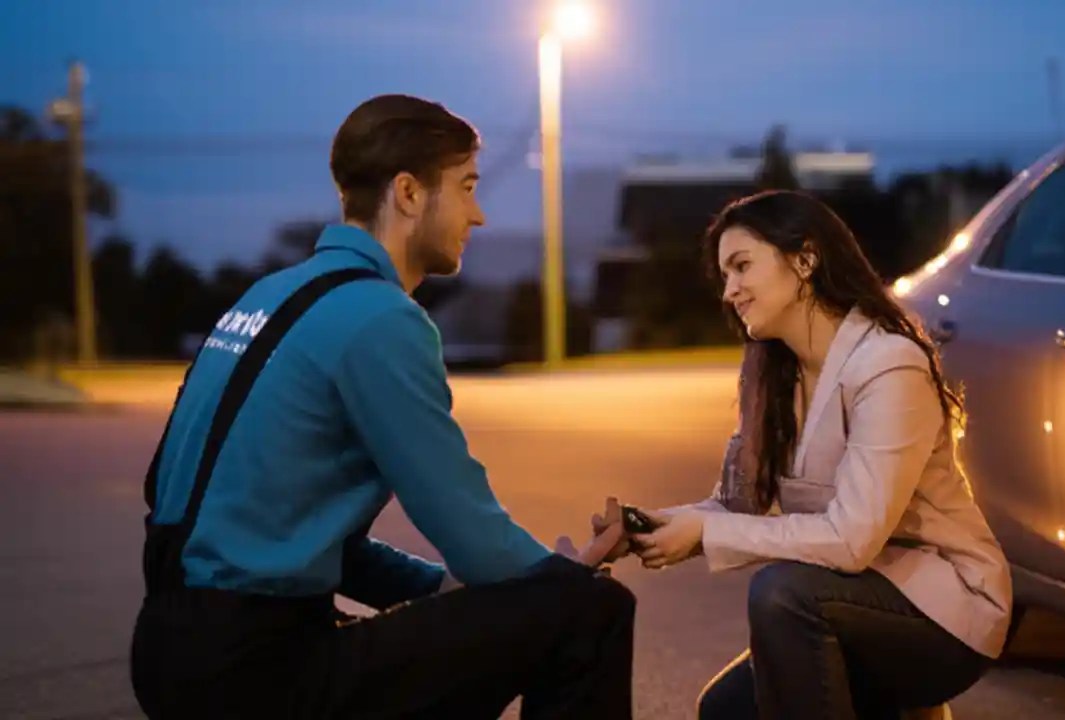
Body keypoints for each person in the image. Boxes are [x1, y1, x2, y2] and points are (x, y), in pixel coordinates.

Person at [129, 94, 635, 720]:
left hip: (170, 650)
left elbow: (306, 542)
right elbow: (475, 539)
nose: (477, 214)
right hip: (259, 671)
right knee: (591, 612)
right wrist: (558, 575)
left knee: (510, 609)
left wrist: (440, 589)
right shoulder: (382, 319)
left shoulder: (270, 297)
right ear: (409, 193)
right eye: (468, 186)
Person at [625, 190, 1014, 719]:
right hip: (855, 594)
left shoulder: (888, 364)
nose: (729, 291)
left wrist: (705, 533)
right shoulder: (771, 370)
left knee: (783, 595)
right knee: (726, 710)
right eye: (724, 276)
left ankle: (908, 702)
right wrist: (663, 524)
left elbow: (851, 540)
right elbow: (739, 507)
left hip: (946, 608)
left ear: (805, 259)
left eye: (742, 267)